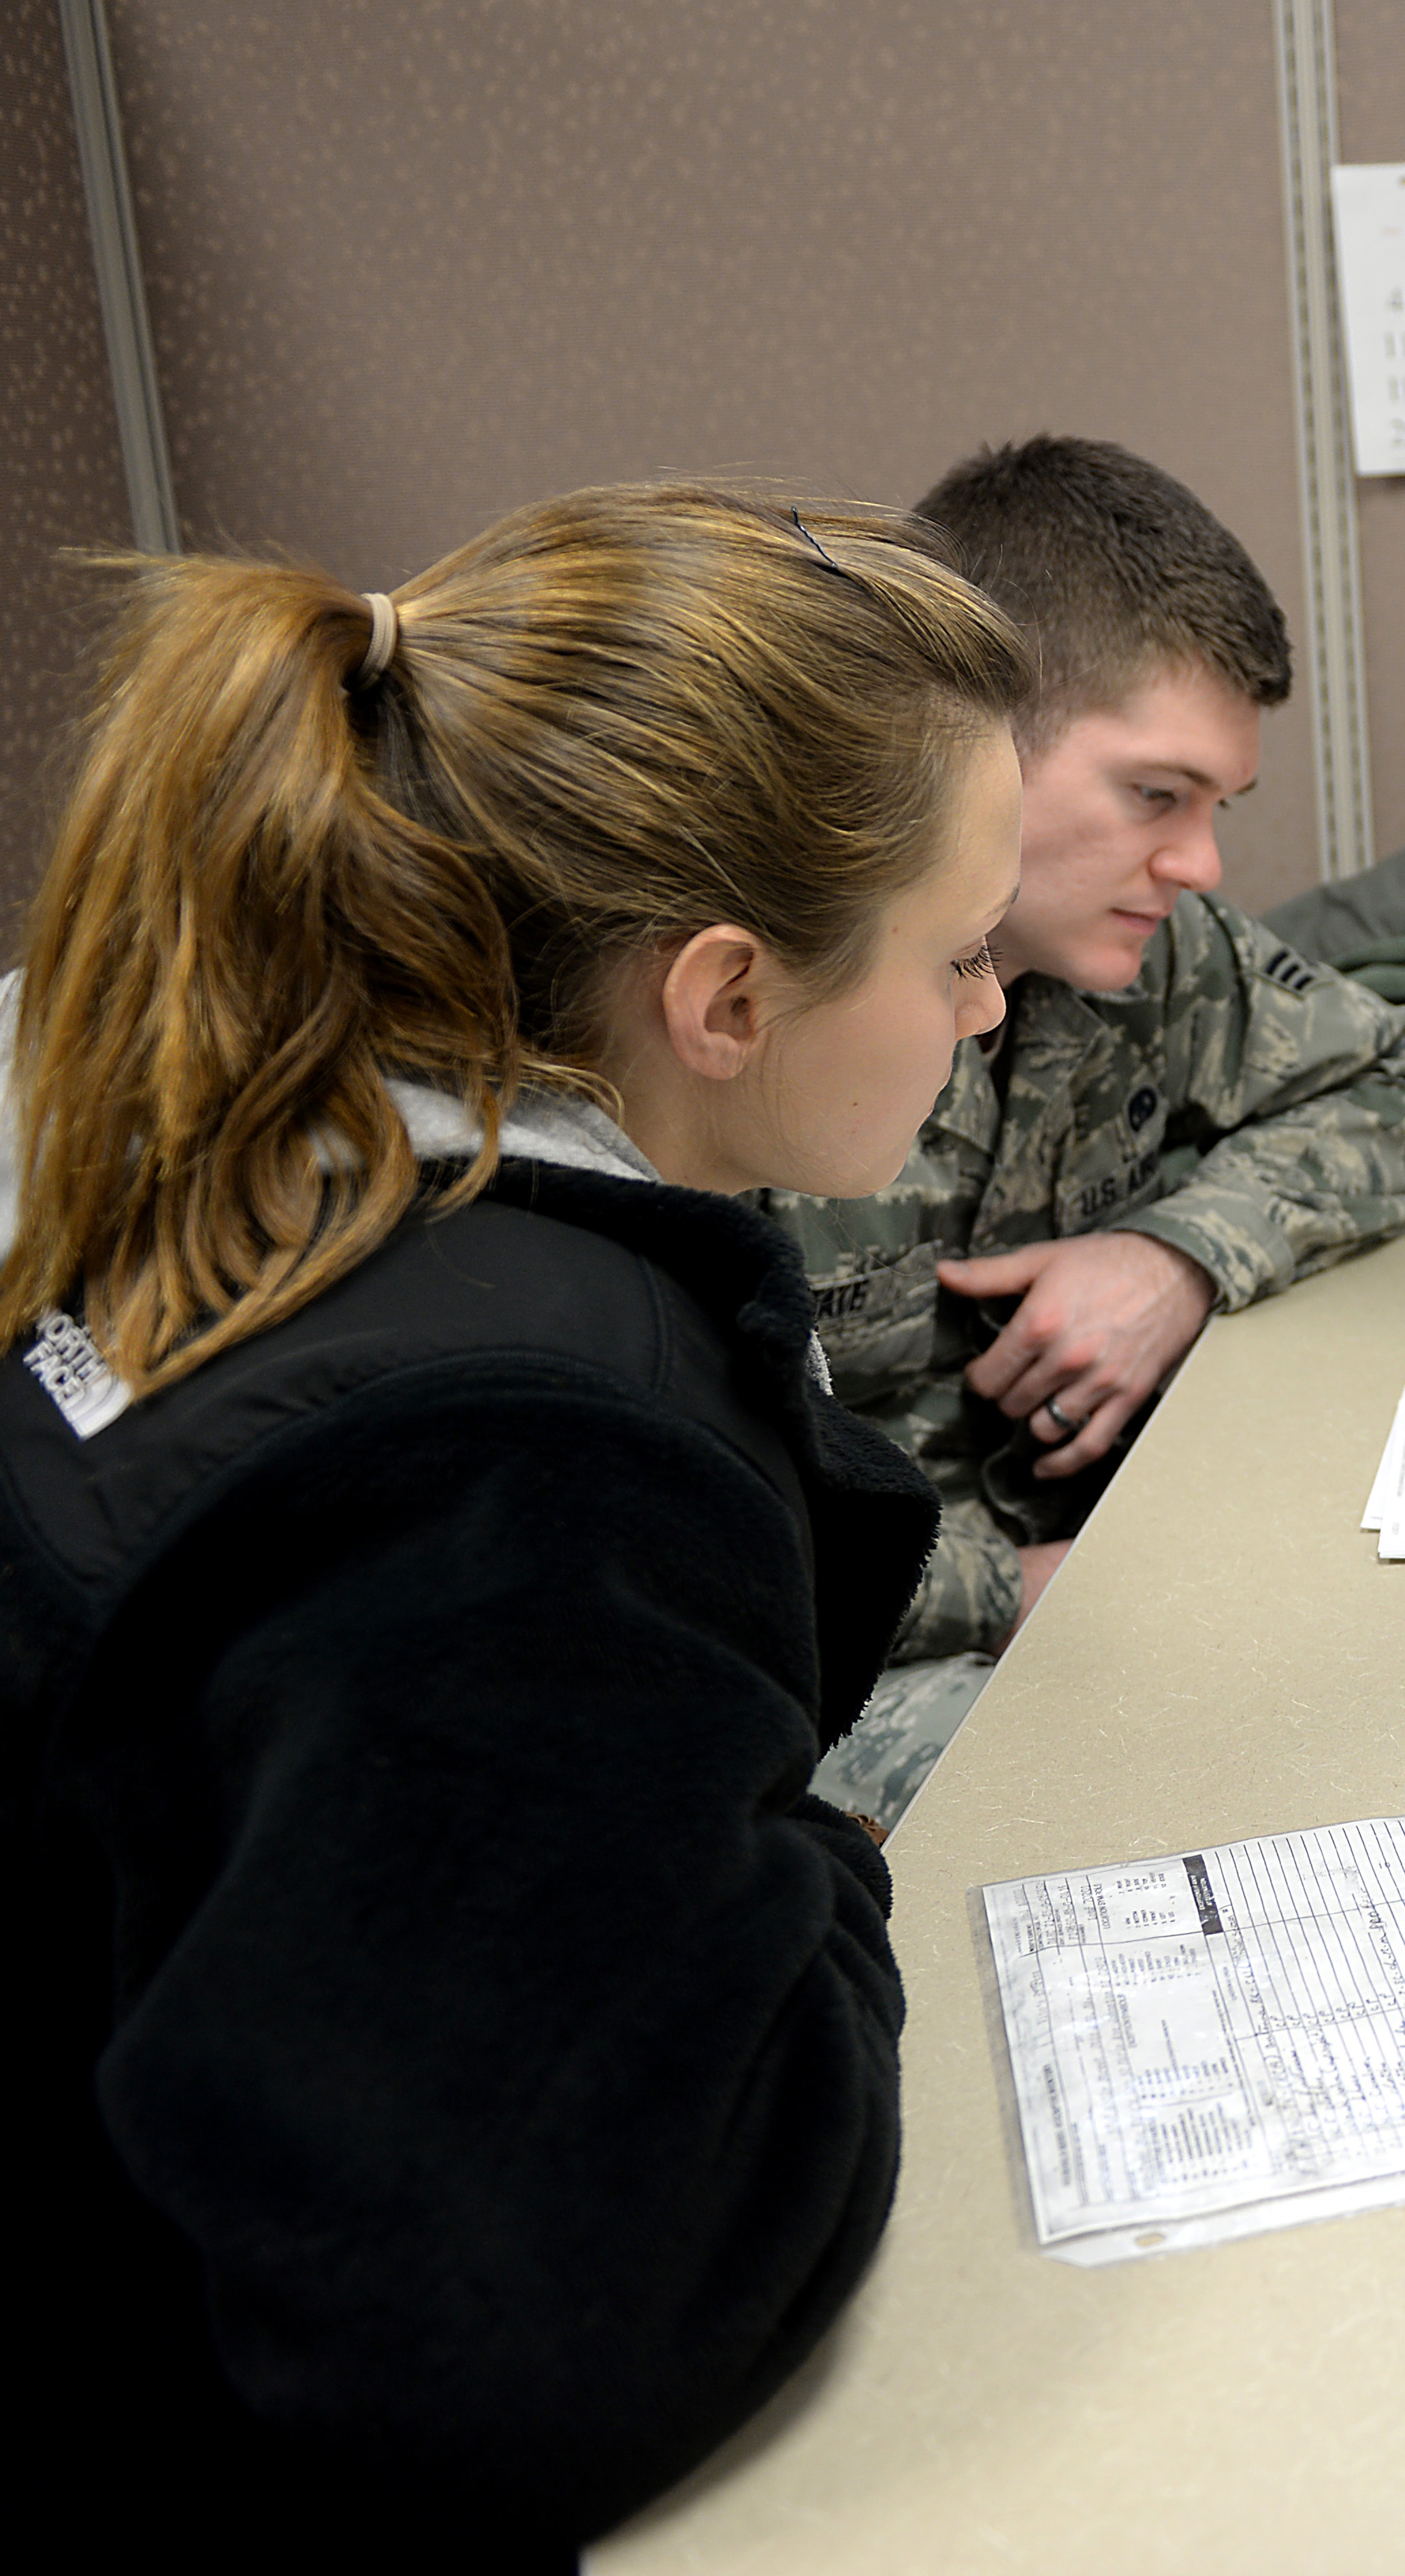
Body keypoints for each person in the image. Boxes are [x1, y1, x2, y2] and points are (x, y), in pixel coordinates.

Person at [2, 489, 1035, 2558]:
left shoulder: (273, 1187)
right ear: (724, 998)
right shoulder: (516, 1461)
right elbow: (540, 2344)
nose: (989, 1008)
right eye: (955, 952)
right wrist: (814, 1862)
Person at [766, 436, 1405, 1835]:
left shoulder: (1138, 954)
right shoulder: (760, 1023)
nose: (1202, 863)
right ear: (968, 732)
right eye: (1157, 797)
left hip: (1089, 1591)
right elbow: (683, 1509)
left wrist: (1177, 1256)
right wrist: (1012, 1591)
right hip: (838, 1669)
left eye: (1217, 809)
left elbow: (1393, 1083)